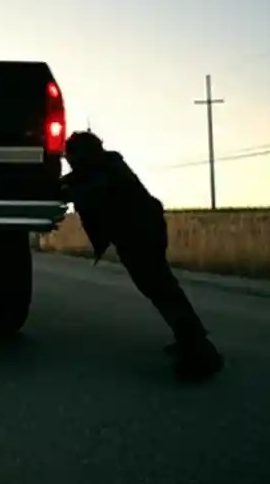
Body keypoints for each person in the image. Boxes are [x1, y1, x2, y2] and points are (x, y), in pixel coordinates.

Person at [60, 131, 224, 381]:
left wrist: (61, 191)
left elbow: (84, 191)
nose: (68, 162)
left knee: (159, 286)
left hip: (138, 232)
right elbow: (76, 183)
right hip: (141, 229)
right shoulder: (104, 165)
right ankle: (190, 340)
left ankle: (199, 351)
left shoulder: (105, 171)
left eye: (70, 157)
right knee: (160, 286)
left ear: (82, 155)